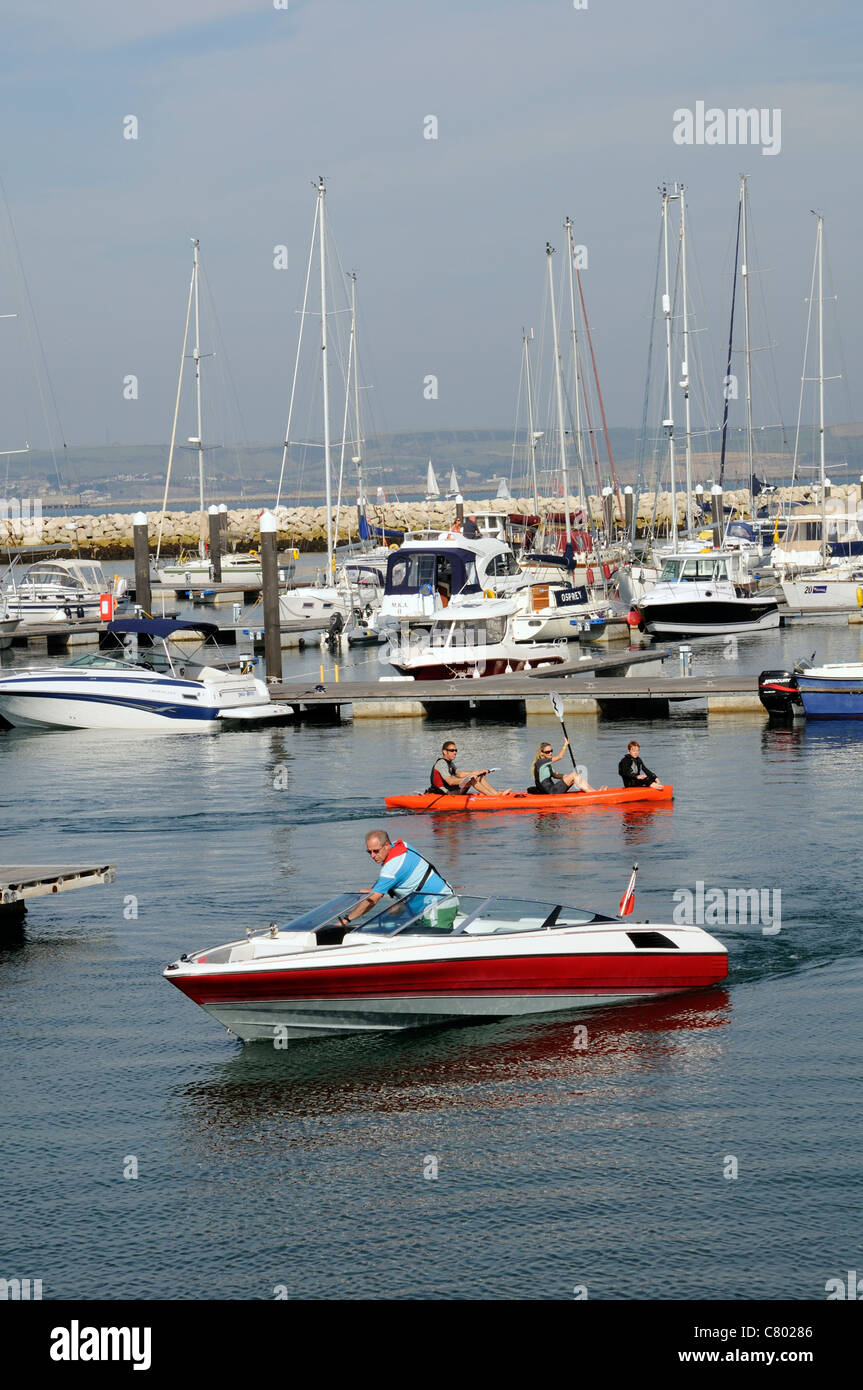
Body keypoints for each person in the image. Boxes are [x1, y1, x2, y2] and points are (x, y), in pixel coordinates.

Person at [335, 830, 458, 932]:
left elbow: (372, 901)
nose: (372, 855)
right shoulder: (402, 846)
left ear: (387, 846)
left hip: (438, 904)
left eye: (376, 851)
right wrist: (374, 889)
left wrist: (345, 920)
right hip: (425, 905)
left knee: (434, 947)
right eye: (369, 851)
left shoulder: (392, 867)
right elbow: (388, 880)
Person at [429, 740, 511, 796]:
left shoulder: (450, 763)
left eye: (456, 750)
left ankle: (495, 794)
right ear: (444, 751)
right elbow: (450, 781)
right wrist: (468, 778)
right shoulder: (441, 763)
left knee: (478, 777)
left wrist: (479, 772)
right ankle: (495, 797)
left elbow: (460, 774)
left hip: (450, 790)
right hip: (444, 793)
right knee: (471, 780)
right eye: (452, 750)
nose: (455, 752)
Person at [532, 738, 596, 794]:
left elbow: (555, 775)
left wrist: (569, 777)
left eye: (551, 751)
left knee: (574, 776)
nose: (550, 753)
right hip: (552, 791)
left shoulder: (546, 765)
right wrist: (565, 745)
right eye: (547, 752)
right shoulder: (541, 762)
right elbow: (560, 756)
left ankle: (591, 791)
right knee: (574, 775)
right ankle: (593, 792)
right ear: (542, 753)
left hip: (552, 790)